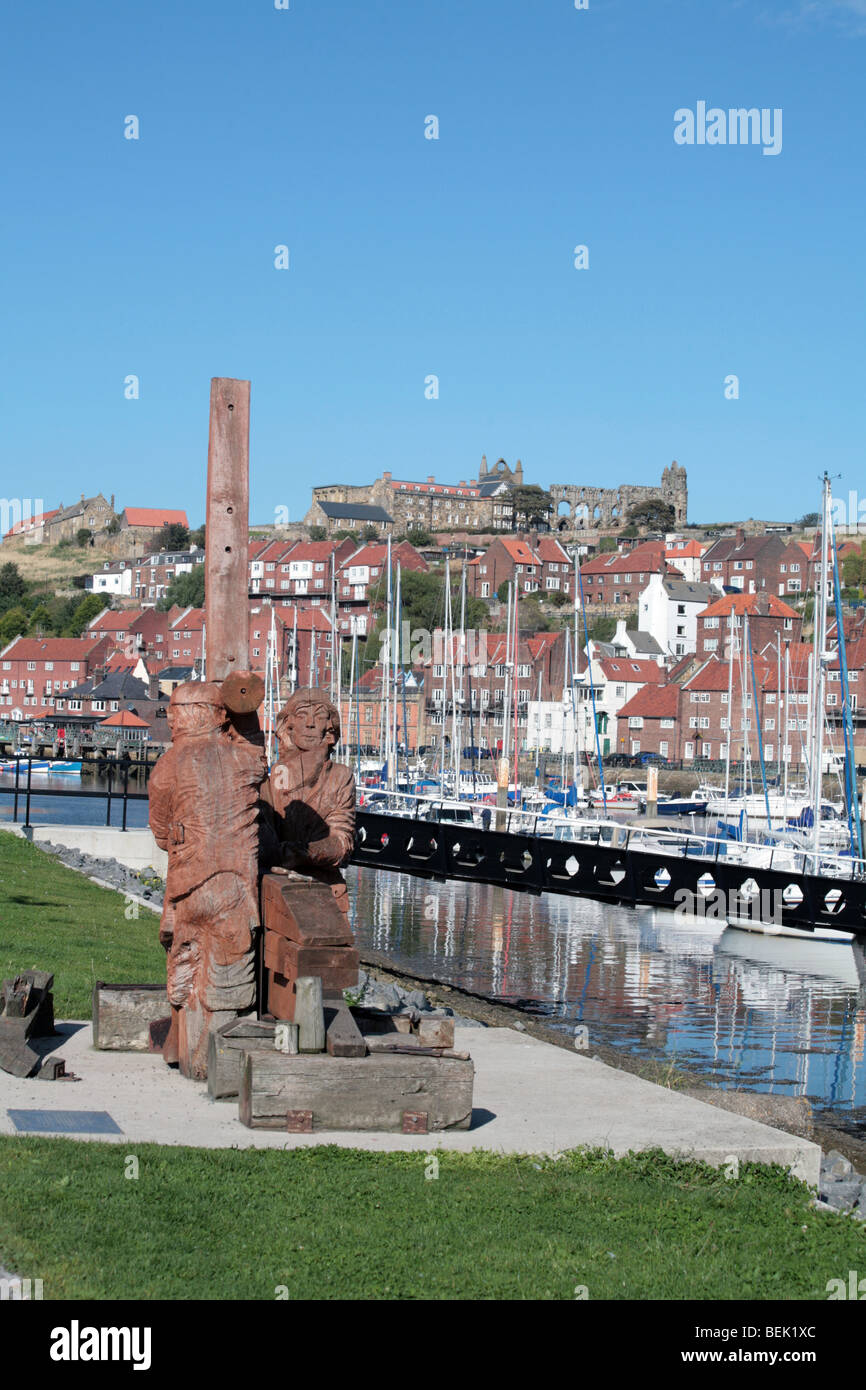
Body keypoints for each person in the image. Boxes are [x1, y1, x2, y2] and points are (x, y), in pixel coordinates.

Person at [148, 682, 267, 1079]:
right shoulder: (245, 761)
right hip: (233, 889)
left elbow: (162, 835)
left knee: (188, 968)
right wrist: (243, 708)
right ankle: (218, 1065)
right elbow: (256, 750)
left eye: (174, 712)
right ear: (218, 716)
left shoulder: (167, 765)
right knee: (228, 978)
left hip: (187, 890)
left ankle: (190, 1058)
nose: (170, 719)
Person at [265, 688, 355, 914]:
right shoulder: (277, 774)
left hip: (325, 889)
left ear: (329, 726)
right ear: (289, 724)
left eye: (320, 716)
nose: (311, 724)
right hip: (278, 888)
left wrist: (304, 852)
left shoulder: (340, 776)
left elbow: (342, 842)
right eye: (302, 715)